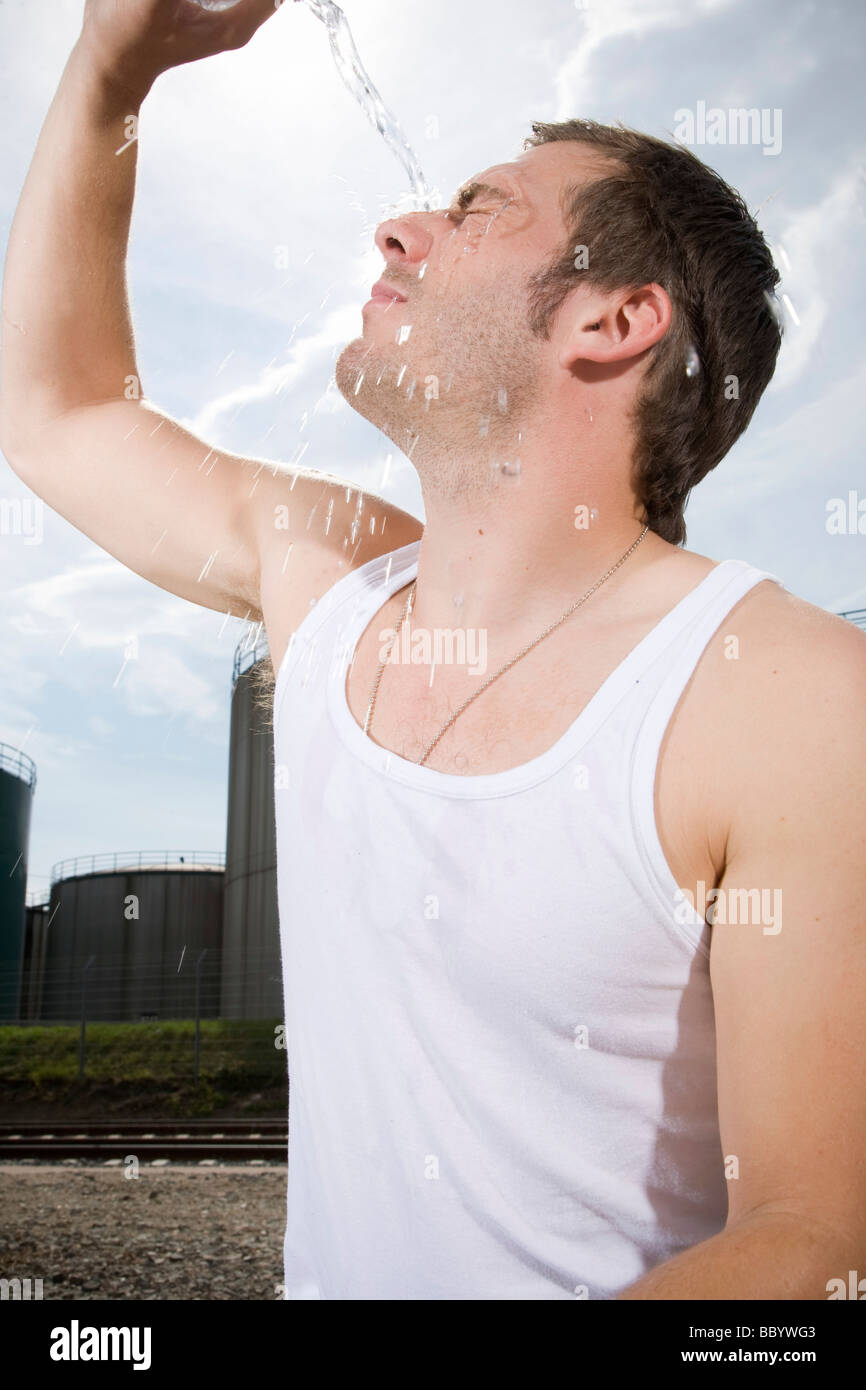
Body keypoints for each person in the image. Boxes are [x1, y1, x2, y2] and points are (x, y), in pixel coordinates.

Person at [1, 0, 863, 1301]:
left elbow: (818, 1238)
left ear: (609, 322)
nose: (397, 228)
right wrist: (113, 61)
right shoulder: (328, 573)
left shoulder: (782, 695)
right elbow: (56, 403)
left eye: (475, 209)